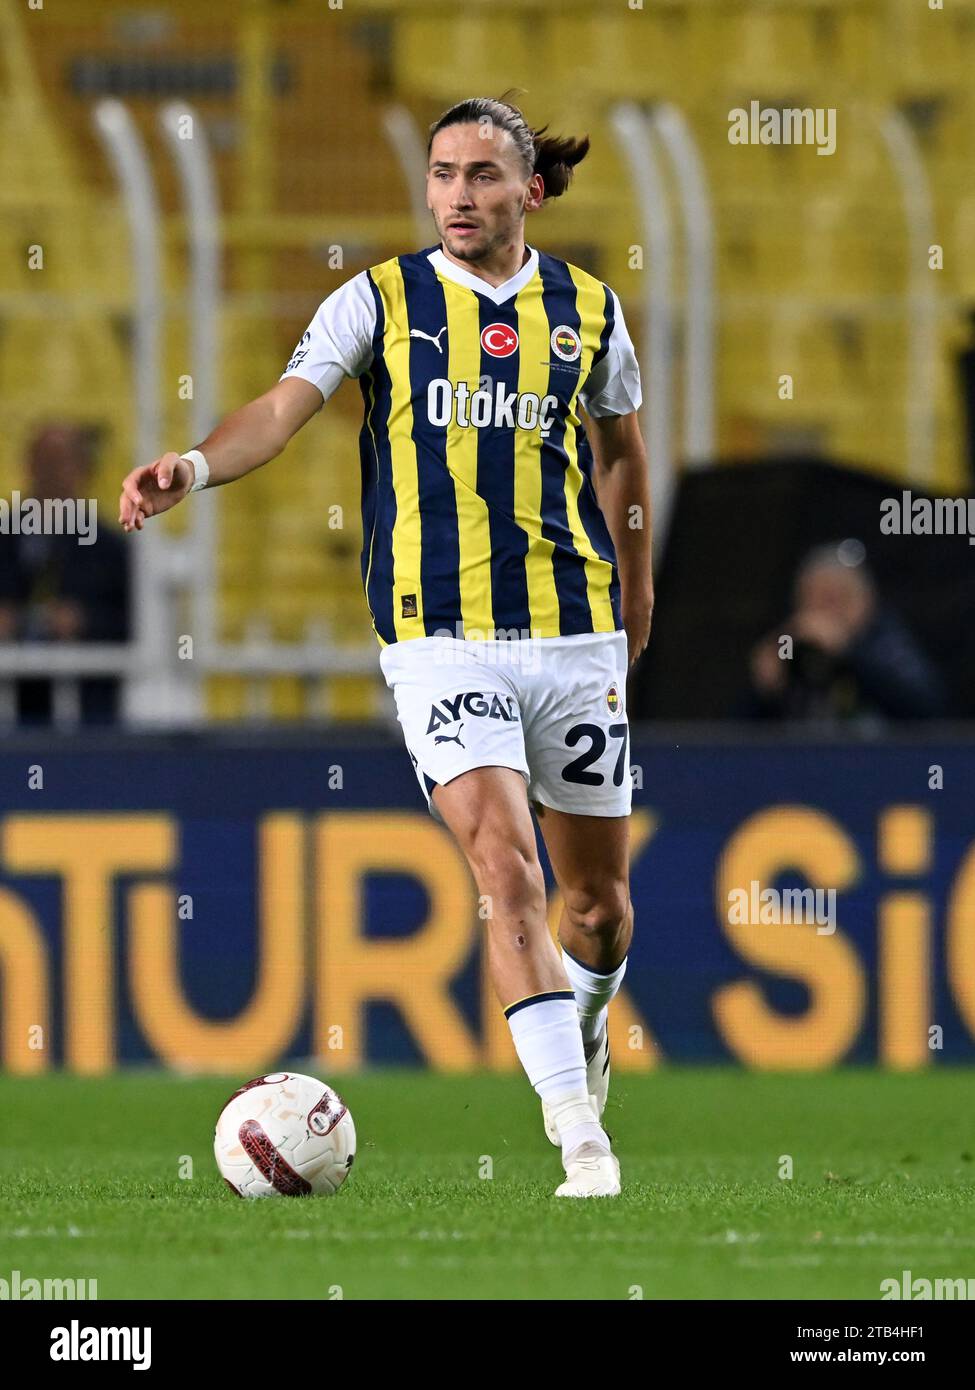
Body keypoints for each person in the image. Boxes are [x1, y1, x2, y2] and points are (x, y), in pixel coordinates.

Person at [118, 96, 652, 1198]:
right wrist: (193, 465)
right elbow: (282, 406)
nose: (458, 194)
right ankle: (579, 1137)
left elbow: (624, 459)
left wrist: (637, 601)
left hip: (571, 631)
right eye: (442, 174)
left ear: (530, 192)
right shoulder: (380, 301)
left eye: (482, 176)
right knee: (503, 866)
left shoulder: (589, 311)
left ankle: (588, 1023)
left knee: (595, 908)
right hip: (437, 635)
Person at [1, 423, 129, 724]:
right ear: (28, 465)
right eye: (44, 462)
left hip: (86, 711)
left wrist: (84, 622)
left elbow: (134, 624)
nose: (52, 474)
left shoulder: (111, 549)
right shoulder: (4, 539)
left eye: (61, 462)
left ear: (84, 470)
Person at [745, 543, 946, 723]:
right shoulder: (789, 648)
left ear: (866, 601)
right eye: (816, 598)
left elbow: (930, 714)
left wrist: (848, 653)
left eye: (838, 598)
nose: (827, 611)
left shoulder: (887, 641)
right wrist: (762, 691)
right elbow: (736, 739)